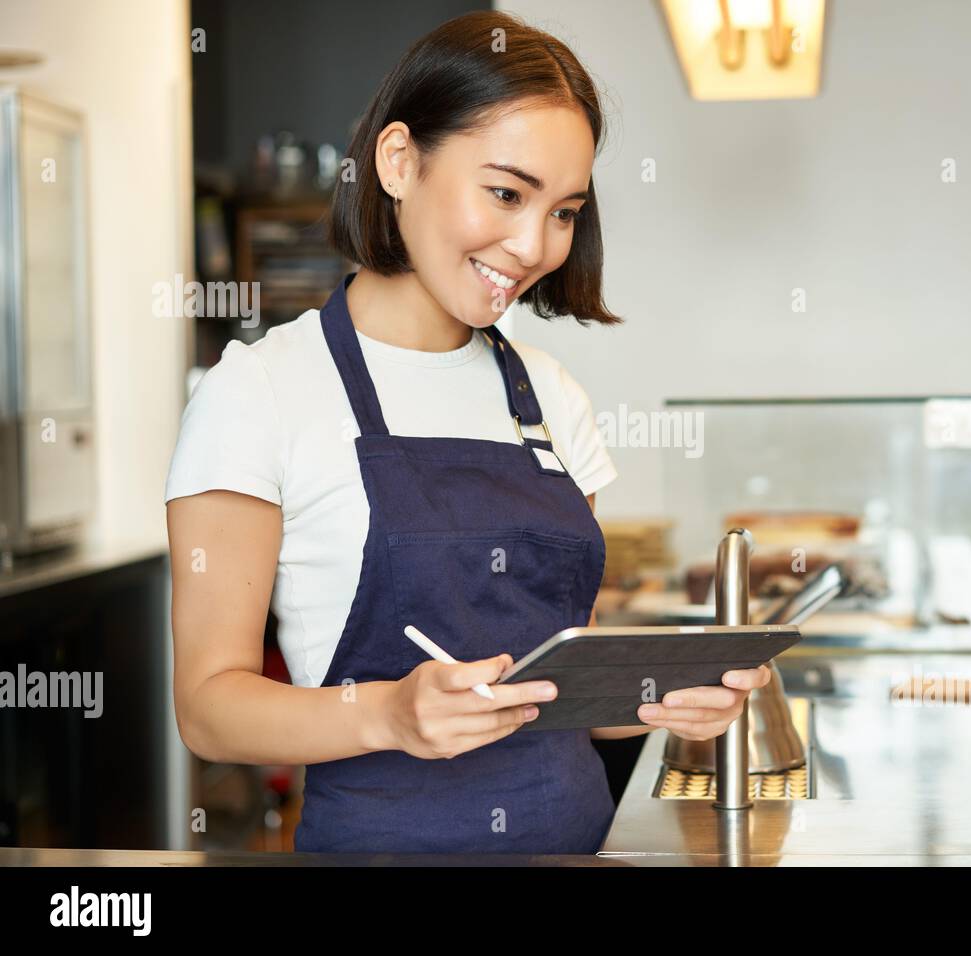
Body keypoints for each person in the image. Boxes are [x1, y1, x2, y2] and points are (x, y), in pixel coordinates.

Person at [164, 10, 771, 855]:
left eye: (564, 211)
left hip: (576, 848)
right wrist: (388, 712)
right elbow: (208, 708)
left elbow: (567, 698)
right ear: (399, 161)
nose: (532, 246)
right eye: (506, 193)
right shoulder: (258, 393)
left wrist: (656, 705)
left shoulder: (551, 396)